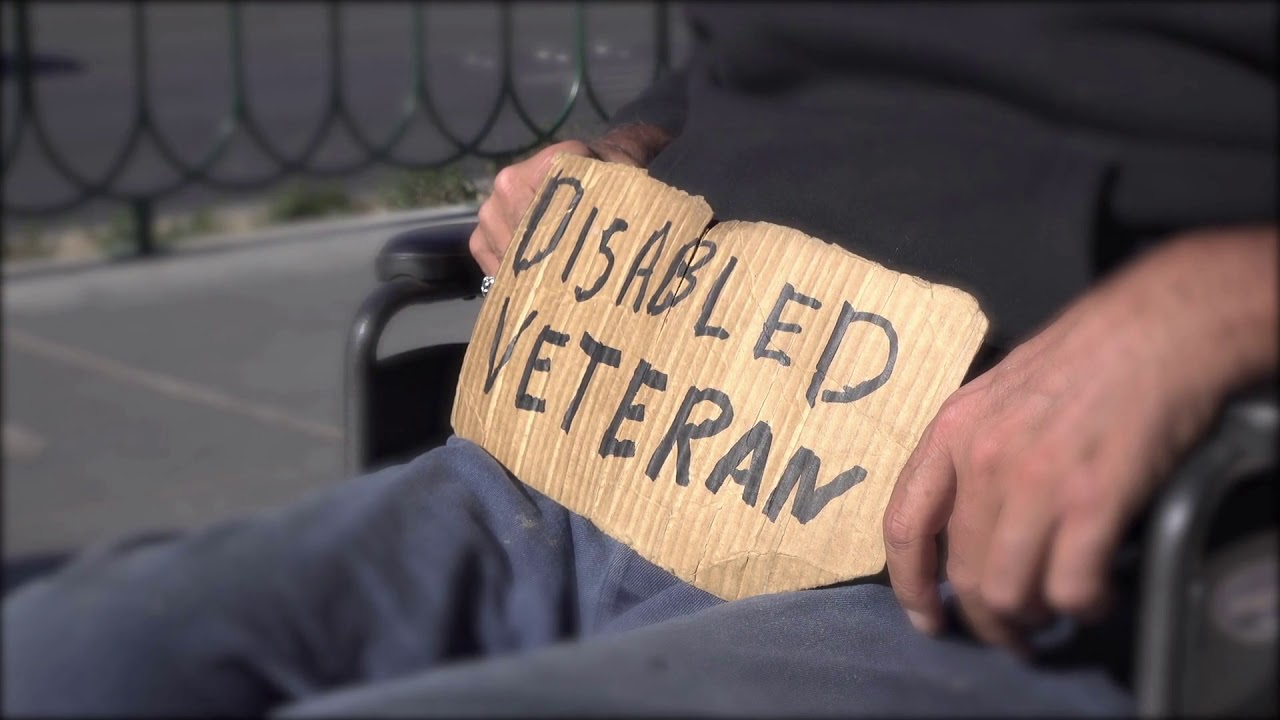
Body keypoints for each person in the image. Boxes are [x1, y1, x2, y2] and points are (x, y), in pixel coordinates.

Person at [6, 2, 1275, 716]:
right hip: (607, 425)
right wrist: (623, 157)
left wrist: (1225, 296)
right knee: (58, 658)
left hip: (1004, 553)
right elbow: (748, 61)